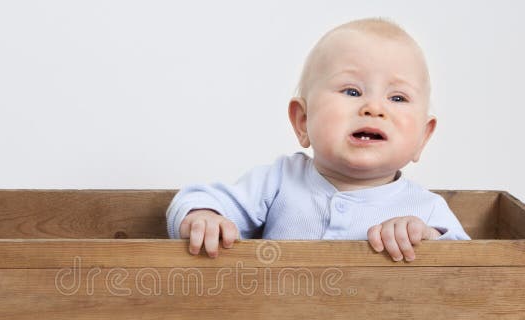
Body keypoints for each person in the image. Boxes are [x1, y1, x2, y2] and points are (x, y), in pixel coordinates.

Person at [166, 17, 470, 262]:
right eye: (352, 91)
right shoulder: (280, 181)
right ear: (303, 121)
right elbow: (200, 198)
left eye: (398, 97)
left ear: (423, 137)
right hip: (273, 317)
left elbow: (470, 265)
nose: (374, 108)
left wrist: (426, 237)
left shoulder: (426, 208)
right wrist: (204, 216)